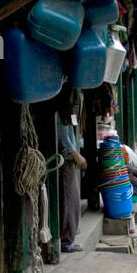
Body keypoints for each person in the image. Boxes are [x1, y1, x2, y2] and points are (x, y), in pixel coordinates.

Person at [57, 89, 86, 252]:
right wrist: (74, 153)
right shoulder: (60, 110)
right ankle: (66, 241)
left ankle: (68, 238)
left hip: (69, 158)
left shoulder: (66, 111)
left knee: (71, 199)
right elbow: (62, 135)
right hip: (65, 159)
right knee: (69, 199)